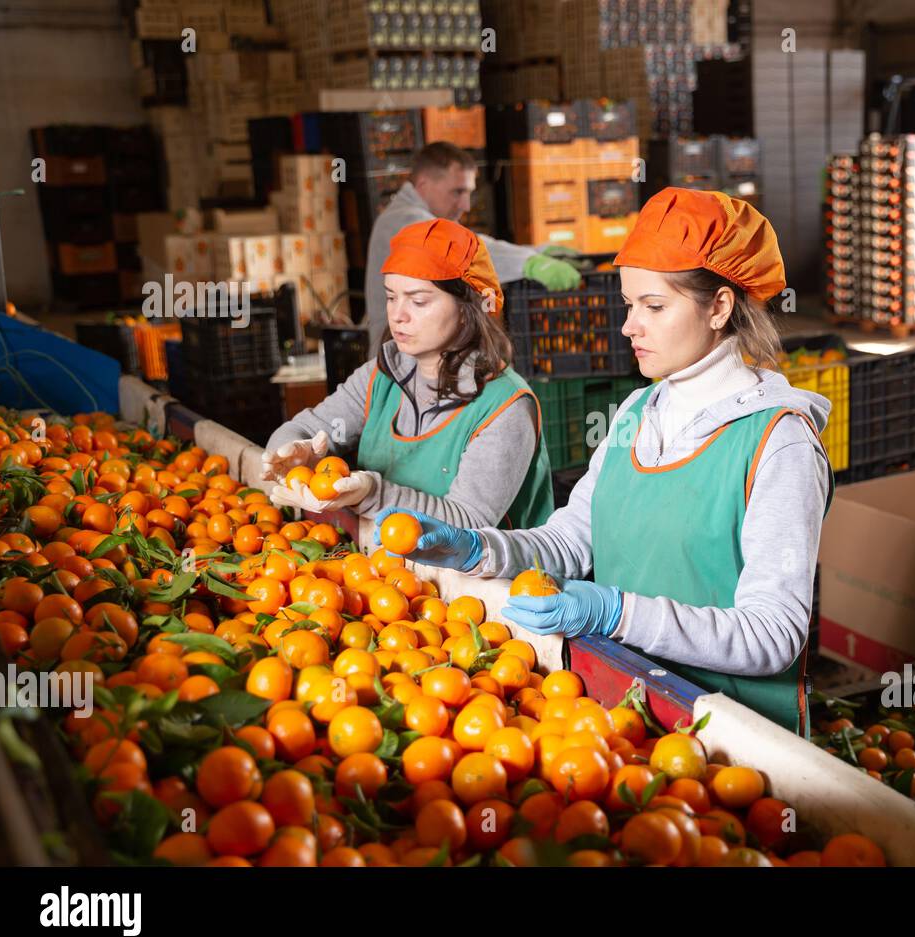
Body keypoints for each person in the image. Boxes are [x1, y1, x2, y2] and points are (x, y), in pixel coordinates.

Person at [373, 187, 833, 735]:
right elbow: (568, 544)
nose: (628, 327)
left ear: (720, 307)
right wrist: (476, 548)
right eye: (628, 305)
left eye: (654, 307)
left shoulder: (778, 441)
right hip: (628, 714)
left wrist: (616, 613)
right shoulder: (638, 411)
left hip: (737, 745)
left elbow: (771, 637)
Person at [261, 218, 555, 529]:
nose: (397, 315)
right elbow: (306, 430)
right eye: (391, 297)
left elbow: (468, 523)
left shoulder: (505, 408)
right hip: (389, 571)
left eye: (418, 301)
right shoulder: (381, 377)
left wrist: (373, 494)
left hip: (492, 577)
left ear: (469, 308)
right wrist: (291, 454)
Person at [364, 142, 582, 349]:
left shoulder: (418, 218)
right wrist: (530, 262)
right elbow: (461, 250)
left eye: (469, 193)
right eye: (458, 192)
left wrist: (537, 252)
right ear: (423, 185)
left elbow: (469, 243)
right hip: (403, 367)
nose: (466, 205)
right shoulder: (402, 220)